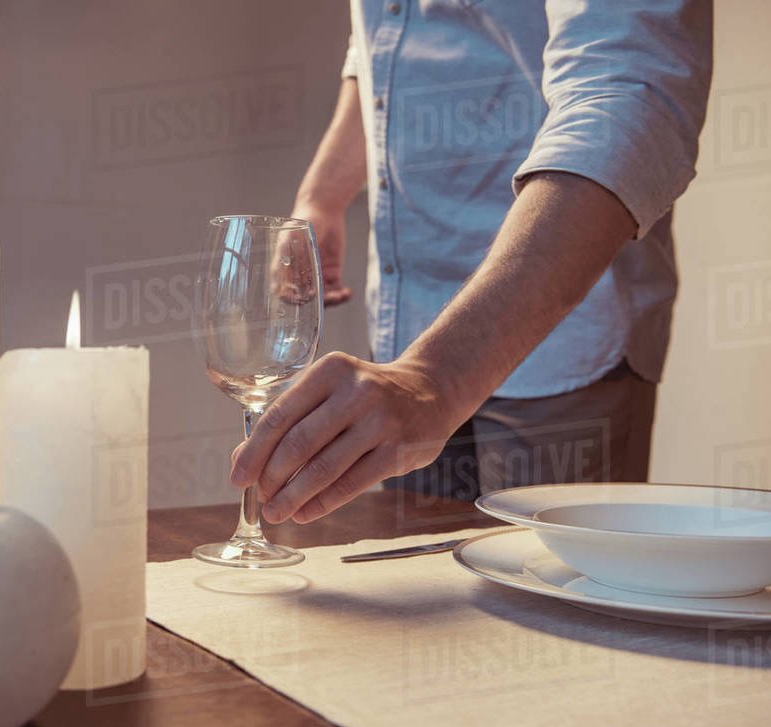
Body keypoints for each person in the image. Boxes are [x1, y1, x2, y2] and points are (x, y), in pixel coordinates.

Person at [229, 0, 713, 525]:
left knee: (553, 591)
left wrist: (433, 379)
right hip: (407, 334)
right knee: (422, 596)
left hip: (558, 338)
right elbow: (386, 34)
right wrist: (323, 195)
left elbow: (629, 97)